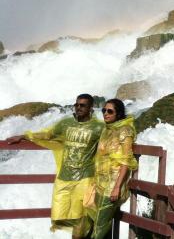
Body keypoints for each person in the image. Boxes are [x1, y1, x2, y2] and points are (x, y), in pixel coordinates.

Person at [6, 94, 104, 238]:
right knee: (60, 215)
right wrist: (25, 136)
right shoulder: (66, 123)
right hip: (64, 177)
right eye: (76, 105)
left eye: (82, 105)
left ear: (91, 108)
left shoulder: (99, 128)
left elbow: (109, 149)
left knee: (80, 217)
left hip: (85, 178)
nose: (78, 108)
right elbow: (48, 135)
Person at [88, 99, 138, 239]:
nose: (105, 113)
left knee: (99, 229)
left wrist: (117, 187)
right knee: (99, 224)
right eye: (104, 110)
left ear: (118, 113)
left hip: (112, 185)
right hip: (100, 184)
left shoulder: (125, 131)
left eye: (110, 111)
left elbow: (125, 162)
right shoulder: (107, 129)